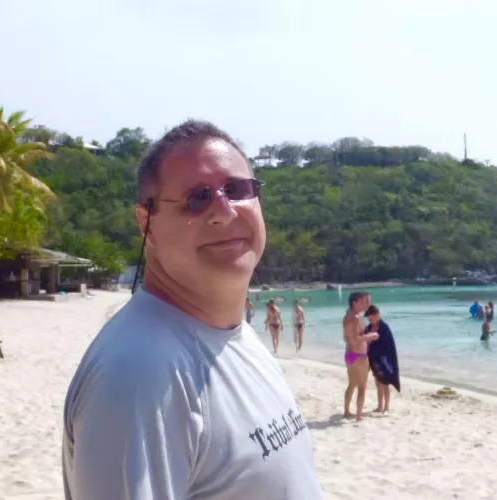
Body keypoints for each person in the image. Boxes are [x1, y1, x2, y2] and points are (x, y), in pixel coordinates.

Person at [62, 121, 322, 498]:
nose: (223, 211)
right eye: (197, 197)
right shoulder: (140, 372)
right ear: (147, 224)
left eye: (236, 190)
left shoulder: (237, 336)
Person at [343, 292, 378, 420]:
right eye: (365, 301)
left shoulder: (350, 315)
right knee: (362, 387)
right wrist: (371, 336)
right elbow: (354, 339)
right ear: (355, 302)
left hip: (350, 354)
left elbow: (348, 338)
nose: (368, 304)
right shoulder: (354, 317)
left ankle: (347, 411)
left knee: (352, 384)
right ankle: (359, 415)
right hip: (358, 355)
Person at [366, 306, 402, 413]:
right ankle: (379, 406)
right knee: (378, 383)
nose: (370, 320)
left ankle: (386, 407)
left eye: (371, 318)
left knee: (385, 383)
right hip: (374, 360)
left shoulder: (384, 328)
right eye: (369, 318)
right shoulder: (368, 328)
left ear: (377, 315)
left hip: (385, 361)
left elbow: (389, 346)